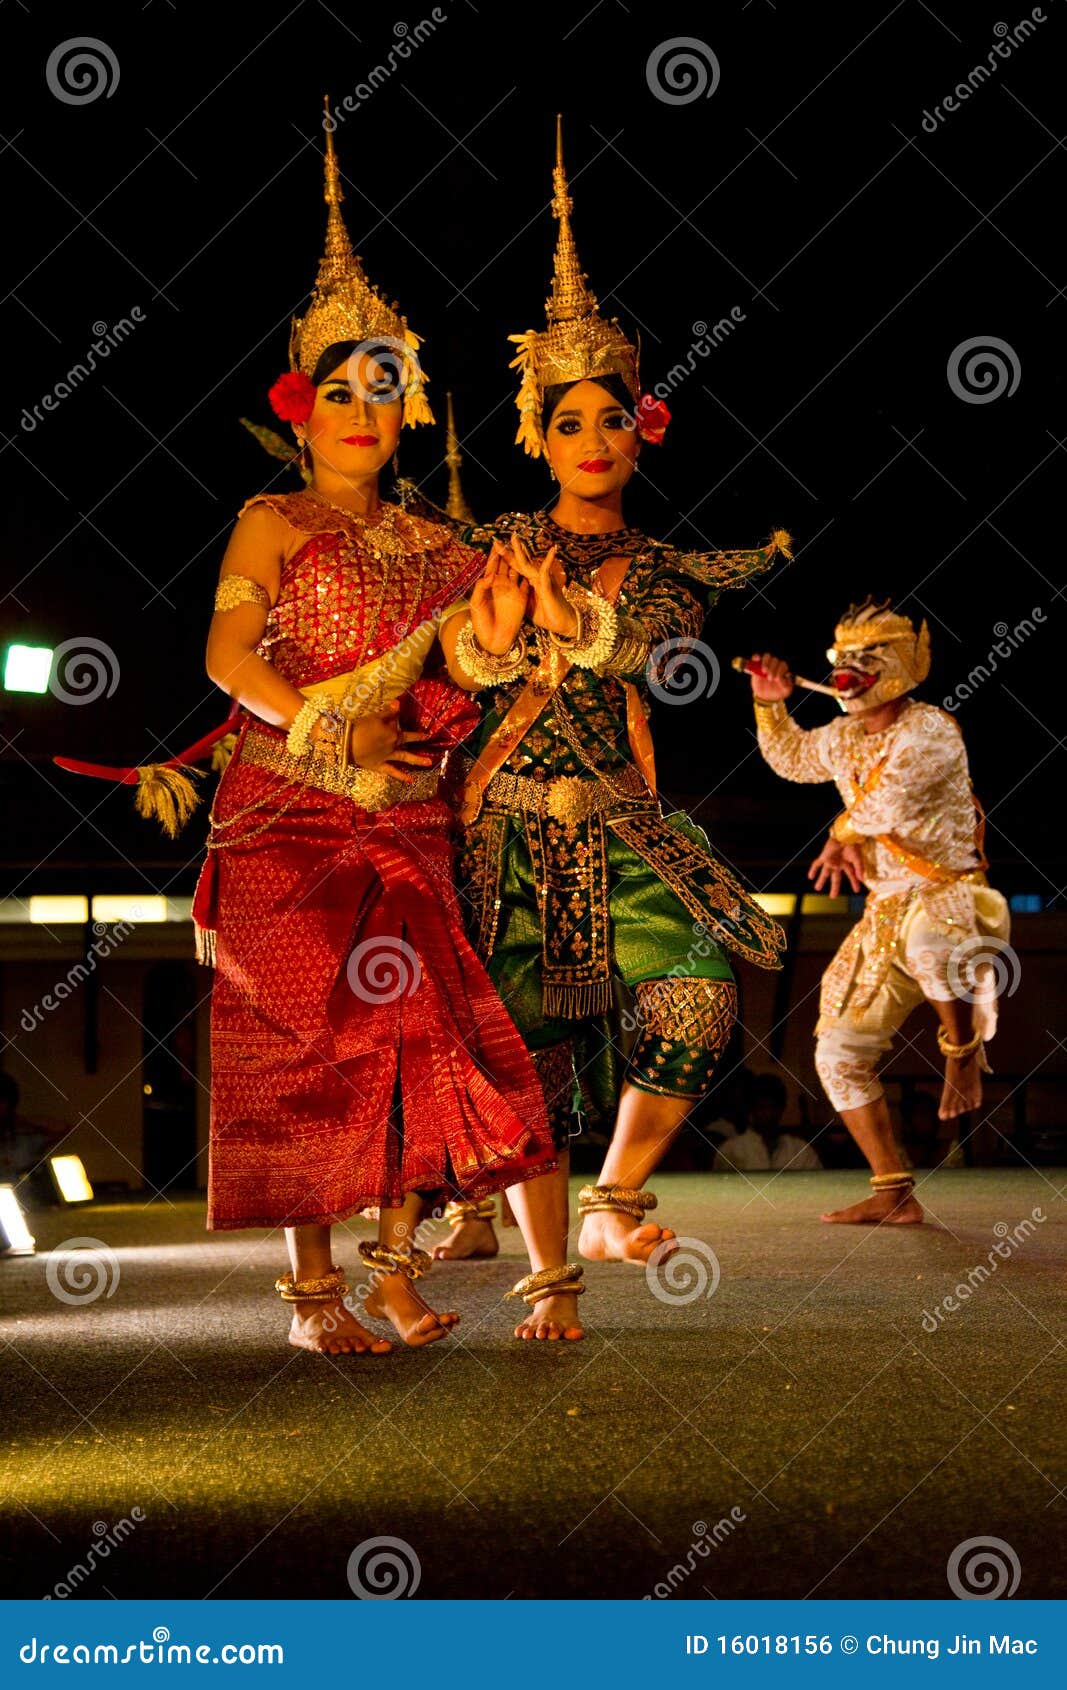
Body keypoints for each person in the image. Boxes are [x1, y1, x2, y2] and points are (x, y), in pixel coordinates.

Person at [197, 112, 573, 1355]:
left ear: (409, 409)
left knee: (414, 1042)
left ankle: (397, 1273)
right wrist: (336, 739)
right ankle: (313, 1304)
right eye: (343, 389)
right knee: (305, 1053)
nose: (366, 409)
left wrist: (513, 618)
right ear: (301, 405)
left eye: (388, 387)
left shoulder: (443, 546)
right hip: (285, 814)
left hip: (406, 822)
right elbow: (227, 660)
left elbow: (470, 663)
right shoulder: (272, 522)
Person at [437, 120, 789, 1272]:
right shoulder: (490, 541)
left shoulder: (667, 570)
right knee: (521, 1048)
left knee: (694, 1003)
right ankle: (530, 1249)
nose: (592, 439)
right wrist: (487, 638)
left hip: (623, 824)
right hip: (502, 832)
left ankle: (615, 1193)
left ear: (642, 428)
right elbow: (449, 656)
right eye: (566, 421)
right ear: (534, 438)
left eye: (610, 418)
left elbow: (659, 660)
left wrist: (578, 623)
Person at [749, 600, 1010, 1224]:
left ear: (895, 667)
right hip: (882, 912)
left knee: (928, 946)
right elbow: (790, 759)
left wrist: (842, 831)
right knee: (836, 1052)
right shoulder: (841, 737)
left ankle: (961, 1051)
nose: (845, 673)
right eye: (840, 662)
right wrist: (769, 700)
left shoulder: (931, 730)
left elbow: (887, 803)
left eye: (863, 662)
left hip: (948, 895)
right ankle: (894, 1191)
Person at [714, 1073, 822, 1170]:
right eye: (762, 1108)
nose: (769, 1114)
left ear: (782, 1109)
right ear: (752, 1109)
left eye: (774, 1107)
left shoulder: (800, 1150)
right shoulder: (731, 1151)